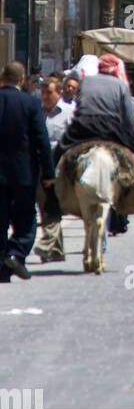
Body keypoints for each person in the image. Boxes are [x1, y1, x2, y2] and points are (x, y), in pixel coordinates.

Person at [55, 55, 134, 215]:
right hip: (111, 127)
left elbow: (80, 104)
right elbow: (128, 119)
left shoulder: (86, 82)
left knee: (58, 153)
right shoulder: (121, 85)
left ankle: (52, 202)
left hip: (83, 125)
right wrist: (127, 137)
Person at [0, 62, 54, 281]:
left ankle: (3, 267)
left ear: (3, 77)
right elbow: (42, 139)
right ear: (22, 80)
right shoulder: (30, 103)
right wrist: (49, 173)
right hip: (23, 174)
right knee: (26, 219)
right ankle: (15, 252)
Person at [33, 78, 74, 262]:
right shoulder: (37, 113)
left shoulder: (69, 113)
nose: (45, 97)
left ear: (59, 93)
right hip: (40, 166)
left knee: (54, 205)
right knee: (45, 206)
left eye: (49, 93)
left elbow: (74, 139)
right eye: (43, 93)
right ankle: (55, 250)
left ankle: (48, 245)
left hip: (61, 167)